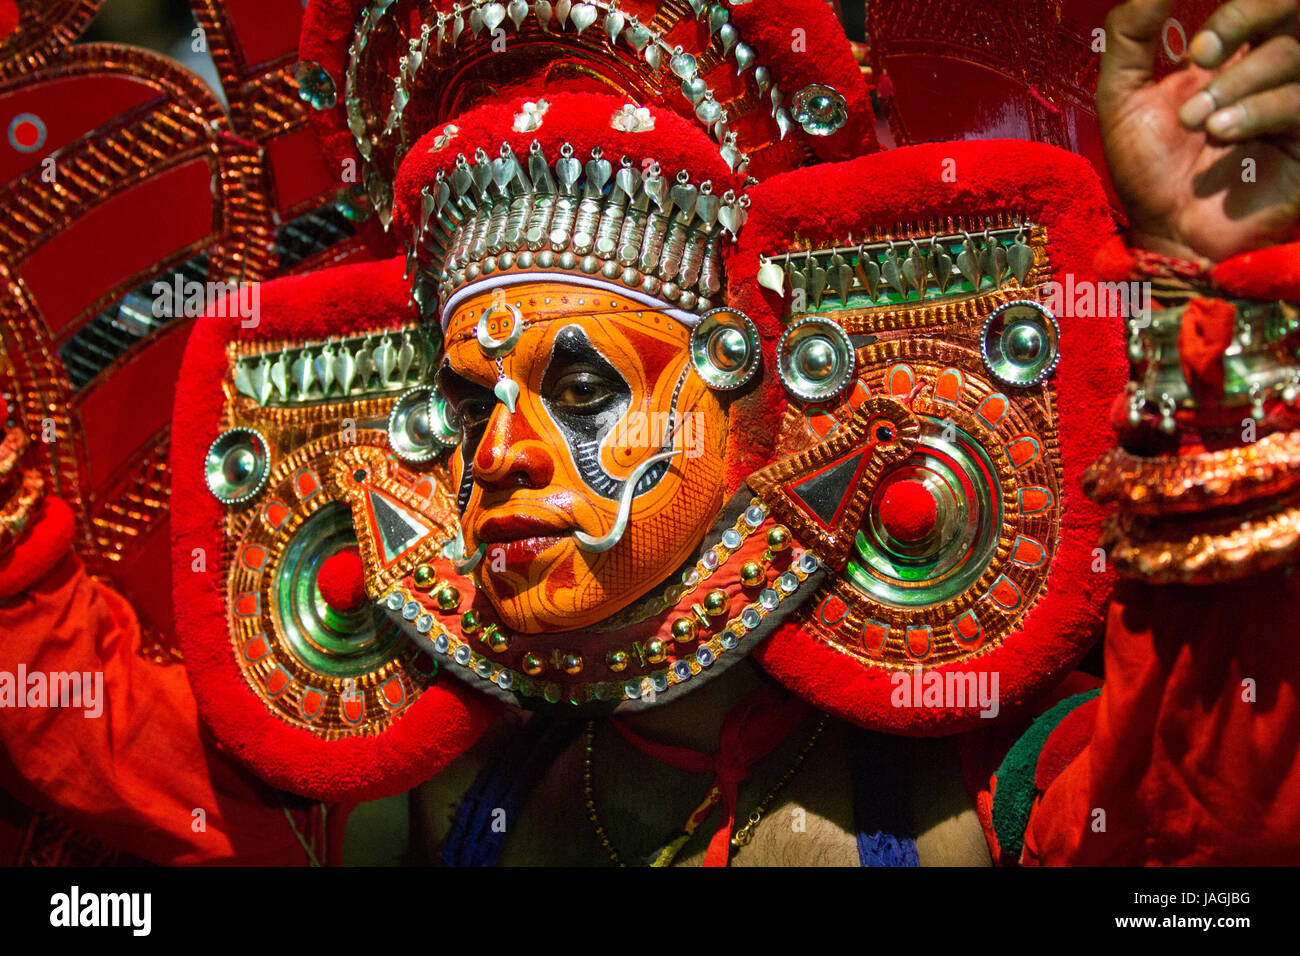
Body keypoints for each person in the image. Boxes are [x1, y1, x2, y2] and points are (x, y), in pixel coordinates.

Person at [2, 0, 1298, 867]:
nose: (495, 451)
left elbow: (1221, 825)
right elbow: (93, 734)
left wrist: (1220, 258)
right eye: (465, 401)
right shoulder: (412, 805)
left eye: (580, 387)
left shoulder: (987, 798)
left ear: (755, 396)